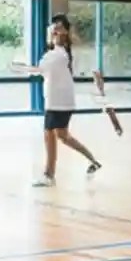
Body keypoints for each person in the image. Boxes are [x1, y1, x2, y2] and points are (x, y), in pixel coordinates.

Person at [12, 22, 101, 186]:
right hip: (61, 102)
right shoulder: (62, 55)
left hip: (57, 103)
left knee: (52, 135)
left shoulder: (56, 55)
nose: (53, 34)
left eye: (55, 32)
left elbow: (38, 70)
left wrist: (18, 68)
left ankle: (49, 174)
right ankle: (92, 160)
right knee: (62, 136)